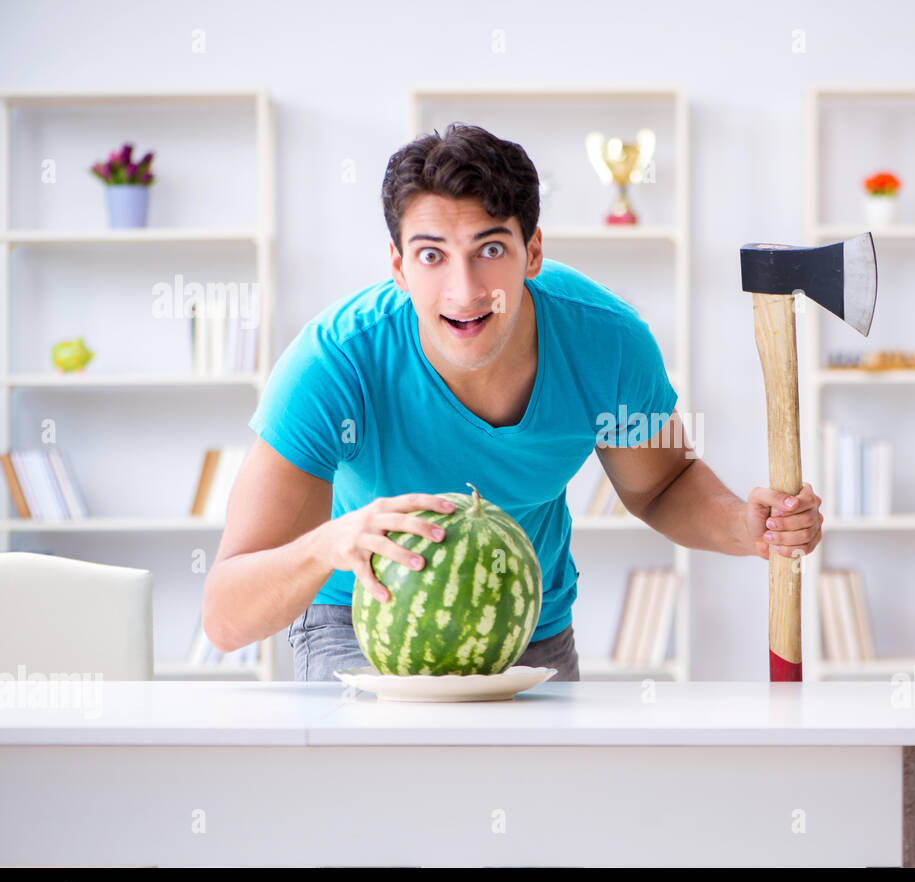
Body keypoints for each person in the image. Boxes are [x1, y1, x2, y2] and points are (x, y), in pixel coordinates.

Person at [201, 123, 824, 681]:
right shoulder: (333, 365)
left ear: (532, 252)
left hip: (527, 629)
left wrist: (748, 527)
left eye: (490, 250)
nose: (464, 290)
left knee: (542, 808)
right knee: (384, 806)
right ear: (398, 266)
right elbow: (225, 618)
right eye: (432, 255)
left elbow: (663, 486)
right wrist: (326, 544)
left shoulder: (607, 343)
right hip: (357, 624)